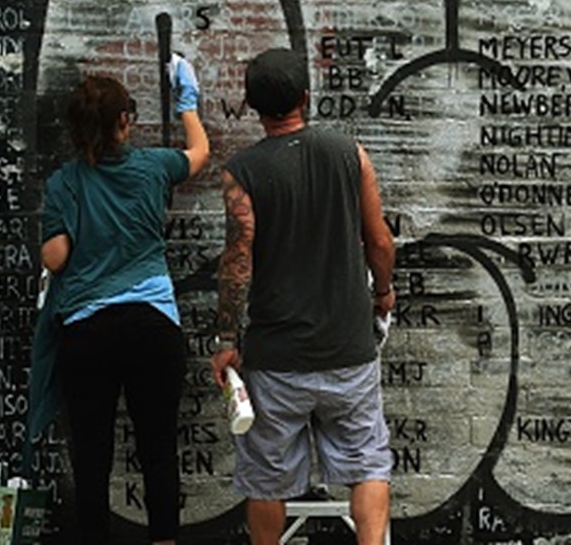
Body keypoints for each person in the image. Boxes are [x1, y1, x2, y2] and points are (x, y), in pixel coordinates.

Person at [211, 48, 396, 545]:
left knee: (266, 477)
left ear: (251, 105)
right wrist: (383, 292)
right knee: (367, 465)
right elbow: (379, 241)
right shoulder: (350, 154)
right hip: (348, 351)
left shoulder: (243, 172)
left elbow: (238, 260)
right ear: (306, 97)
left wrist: (226, 338)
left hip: (277, 359)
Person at [39, 59, 209, 545]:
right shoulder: (153, 166)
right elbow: (199, 153)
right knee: (157, 449)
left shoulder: (64, 183)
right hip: (152, 325)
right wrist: (187, 103)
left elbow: (55, 257)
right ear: (123, 121)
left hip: (87, 331)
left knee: (92, 456)